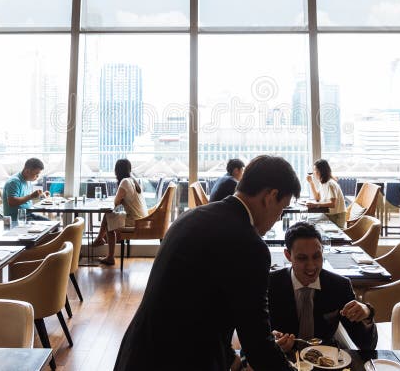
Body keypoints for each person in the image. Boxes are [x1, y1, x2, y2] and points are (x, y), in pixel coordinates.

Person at [113, 155, 301, 371]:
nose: (278, 218)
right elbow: (257, 345)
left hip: (137, 352)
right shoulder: (249, 245)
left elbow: (196, 303)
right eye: (282, 209)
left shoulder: (190, 217)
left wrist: (230, 357)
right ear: (271, 196)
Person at [268, 222, 377, 351]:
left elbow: (367, 345)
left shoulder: (339, 286)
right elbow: (254, 331)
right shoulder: (270, 284)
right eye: (302, 258)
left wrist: (367, 314)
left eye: (316, 256)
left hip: (325, 358)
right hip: (283, 357)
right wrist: (271, 342)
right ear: (288, 256)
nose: (311, 266)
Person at [92, 159, 148, 266]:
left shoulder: (125, 182)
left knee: (108, 218)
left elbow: (115, 202)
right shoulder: (133, 180)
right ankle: (101, 241)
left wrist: (119, 200)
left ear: (117, 171)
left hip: (135, 220)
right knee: (108, 217)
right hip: (142, 218)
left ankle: (102, 243)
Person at [305, 159, 346, 228]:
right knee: (308, 220)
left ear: (321, 172)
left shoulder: (330, 184)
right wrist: (311, 183)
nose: (314, 173)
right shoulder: (323, 183)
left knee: (309, 223)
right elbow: (317, 197)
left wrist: (315, 205)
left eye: (315, 170)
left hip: (336, 217)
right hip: (329, 214)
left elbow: (332, 204)